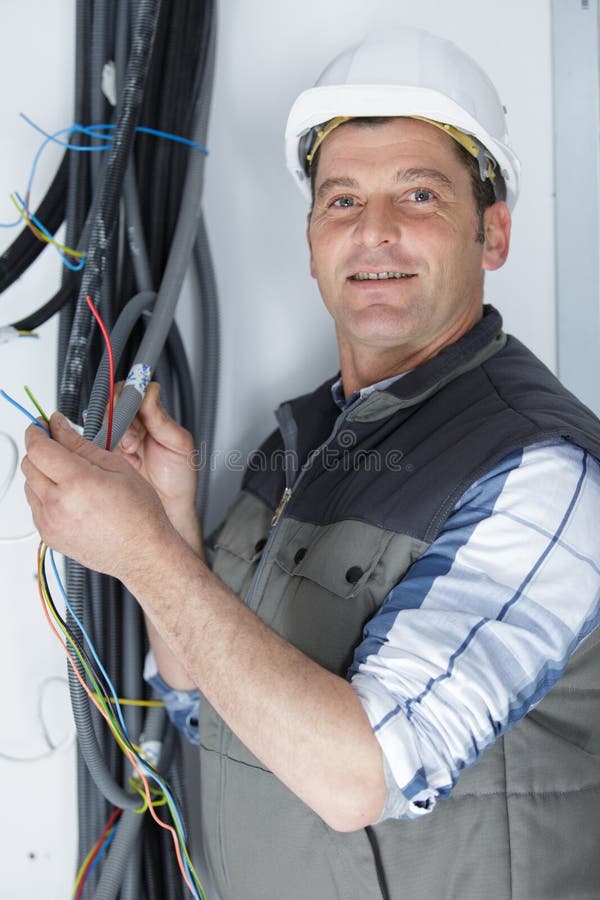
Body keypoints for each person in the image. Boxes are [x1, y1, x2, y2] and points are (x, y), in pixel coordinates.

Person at [21, 27, 600, 900]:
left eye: (419, 196)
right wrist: (169, 526)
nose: (375, 233)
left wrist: (143, 552)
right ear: (311, 239)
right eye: (342, 201)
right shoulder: (299, 438)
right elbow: (200, 696)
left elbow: (363, 775)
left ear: (494, 233)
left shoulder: (544, 470)